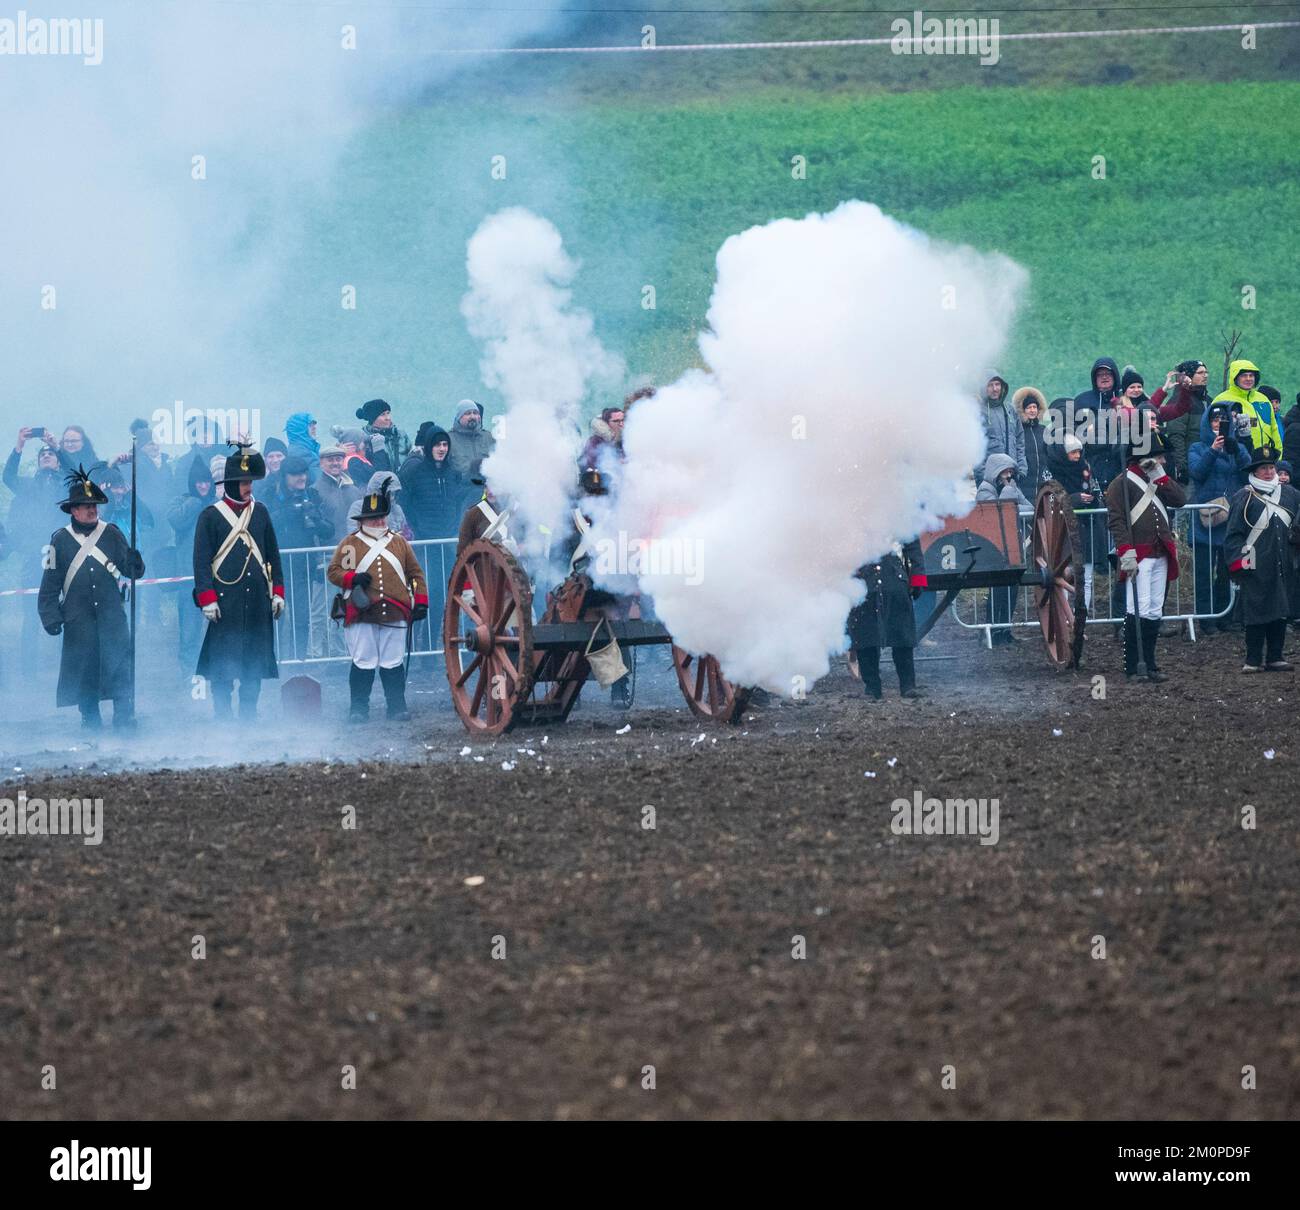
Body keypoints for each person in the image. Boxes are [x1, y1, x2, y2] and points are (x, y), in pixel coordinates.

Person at [36, 466, 144, 729]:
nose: (92, 509)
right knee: (85, 670)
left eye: (94, 505)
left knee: (119, 664)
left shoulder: (112, 533)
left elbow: (134, 572)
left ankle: (123, 716)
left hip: (111, 616)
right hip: (78, 618)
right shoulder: (58, 541)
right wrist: (50, 616)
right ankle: (90, 717)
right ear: (74, 510)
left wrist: (134, 561)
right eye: (85, 506)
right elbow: (50, 584)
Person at [191, 444, 285, 721]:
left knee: (252, 664)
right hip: (225, 600)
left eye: (250, 482)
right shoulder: (210, 516)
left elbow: (273, 556)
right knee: (222, 664)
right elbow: (201, 562)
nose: (249, 488)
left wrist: (277, 592)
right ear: (231, 484)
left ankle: (248, 713)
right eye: (244, 482)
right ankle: (222, 714)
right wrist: (207, 598)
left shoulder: (261, 512)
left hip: (257, 599)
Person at [327, 481, 428, 721]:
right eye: (372, 518)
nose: (378, 522)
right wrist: (352, 578)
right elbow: (333, 572)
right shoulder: (349, 543)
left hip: (395, 610)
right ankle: (359, 709)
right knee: (363, 660)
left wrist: (421, 601)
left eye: (381, 517)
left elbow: (415, 573)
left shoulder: (399, 542)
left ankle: (397, 707)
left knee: (393, 662)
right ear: (362, 520)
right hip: (361, 611)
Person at [1105, 427, 1186, 682]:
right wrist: (1125, 551)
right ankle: (1133, 665)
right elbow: (1117, 520)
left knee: (1153, 610)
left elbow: (1180, 500)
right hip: (1138, 555)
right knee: (1135, 609)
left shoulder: (1157, 479)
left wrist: (1160, 475)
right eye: (1158, 457)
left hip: (1161, 552)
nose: (1162, 460)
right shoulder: (1121, 483)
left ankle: (1150, 663)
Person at [1224, 444, 1300, 673]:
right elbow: (1234, 535)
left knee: (1280, 610)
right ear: (1254, 471)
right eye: (1263, 468)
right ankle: (1253, 658)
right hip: (1255, 562)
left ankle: (1276, 656)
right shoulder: (1244, 497)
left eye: (1270, 467)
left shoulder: (1290, 494)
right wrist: (1240, 560)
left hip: (1283, 560)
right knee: (1256, 612)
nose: (1268, 472)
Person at [4, 429, 66, 675]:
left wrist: (56, 445)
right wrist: (19, 444)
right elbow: (8, 477)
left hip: (63, 556)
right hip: (33, 557)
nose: (46, 457)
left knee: (67, 612)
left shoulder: (66, 484)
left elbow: (81, 479)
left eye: (51, 454)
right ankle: (29, 672)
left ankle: (66, 667)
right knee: (31, 616)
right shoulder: (28, 486)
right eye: (43, 454)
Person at [1187, 404, 1250, 631]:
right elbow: (1196, 472)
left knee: (1227, 571)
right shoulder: (1197, 447)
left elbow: (1248, 474)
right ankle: (1206, 618)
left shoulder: (1236, 447)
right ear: (1207, 422)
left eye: (1223, 420)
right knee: (1203, 573)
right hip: (1205, 517)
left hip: (1231, 517)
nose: (1218, 423)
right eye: (1214, 419)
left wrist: (1237, 450)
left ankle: (1226, 616)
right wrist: (1213, 450)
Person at [268, 456, 334, 663]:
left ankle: (298, 661)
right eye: (296, 474)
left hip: (303, 566)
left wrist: (316, 518)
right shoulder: (270, 494)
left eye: (304, 473)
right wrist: (289, 512)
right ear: (285, 476)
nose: (301, 478)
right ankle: (273, 661)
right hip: (276, 565)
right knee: (275, 616)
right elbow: (263, 524)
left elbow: (328, 531)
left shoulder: (312, 495)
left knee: (301, 617)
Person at [846, 538, 928, 699]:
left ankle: (908, 685)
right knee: (865, 636)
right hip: (861, 580)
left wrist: (918, 578)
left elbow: (912, 546)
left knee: (902, 635)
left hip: (894, 577)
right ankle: (872, 687)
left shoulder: (900, 514)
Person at [1045, 430, 1104, 612]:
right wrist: (1073, 499)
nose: (1077, 456)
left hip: (1086, 528)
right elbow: (1048, 499)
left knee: (1086, 577)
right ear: (1063, 452)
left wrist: (1094, 498)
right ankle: (1064, 615)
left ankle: (1082, 614)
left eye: (1079, 451)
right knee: (1064, 575)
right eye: (1073, 452)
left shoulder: (1085, 469)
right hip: (1063, 531)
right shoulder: (1051, 471)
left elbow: (1097, 492)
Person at [168, 459, 215, 671]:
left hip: (217, 576)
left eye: (206, 482)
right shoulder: (182, 502)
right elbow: (175, 520)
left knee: (218, 627)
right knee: (189, 630)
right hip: (189, 577)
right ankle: (189, 673)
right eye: (198, 483)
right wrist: (195, 502)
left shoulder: (218, 503)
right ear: (191, 484)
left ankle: (217, 670)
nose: (203, 486)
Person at [400, 425, 467, 541]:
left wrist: (457, 527)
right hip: (423, 539)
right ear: (429, 446)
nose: (442, 449)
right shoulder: (415, 472)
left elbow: (459, 503)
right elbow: (405, 504)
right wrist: (416, 529)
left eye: (445, 445)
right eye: (437, 445)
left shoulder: (454, 473)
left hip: (450, 538)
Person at [1151, 360, 1212, 484]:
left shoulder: (1208, 400)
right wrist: (1181, 468)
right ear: (1188, 376)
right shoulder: (1179, 401)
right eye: (1200, 373)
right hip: (1190, 466)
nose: (1205, 375)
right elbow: (1176, 436)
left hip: (1207, 463)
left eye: (1206, 372)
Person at [1213, 360, 1281, 454]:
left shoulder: (1263, 399)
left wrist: (1278, 455)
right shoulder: (1222, 400)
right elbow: (1213, 431)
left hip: (1265, 459)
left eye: (1251, 375)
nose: (1248, 379)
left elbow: (1274, 430)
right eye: (1244, 375)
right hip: (1237, 458)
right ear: (1235, 378)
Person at [977, 373, 1025, 482]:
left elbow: (1020, 440)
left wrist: (1021, 468)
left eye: (997, 384)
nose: (995, 389)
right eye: (990, 385)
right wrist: (983, 476)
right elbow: (975, 449)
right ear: (984, 388)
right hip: (990, 477)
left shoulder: (1010, 409)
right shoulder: (979, 412)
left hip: (1012, 473)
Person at [314, 444, 363, 542]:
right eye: (330, 460)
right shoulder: (315, 491)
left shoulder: (355, 491)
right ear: (321, 463)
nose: (335, 463)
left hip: (356, 547)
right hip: (329, 552)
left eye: (338, 459)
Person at [355, 398, 411, 475]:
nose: (388, 418)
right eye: (383, 414)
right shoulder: (362, 438)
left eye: (388, 413)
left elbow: (411, 458)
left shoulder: (401, 435)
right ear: (372, 419)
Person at [1013, 386, 1051, 500]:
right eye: (1029, 407)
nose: (1032, 410)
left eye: (1035, 407)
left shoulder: (1044, 430)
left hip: (1043, 479)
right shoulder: (1017, 431)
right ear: (1022, 410)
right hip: (1024, 481)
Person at [448, 399, 496, 481]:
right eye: (468, 413)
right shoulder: (449, 440)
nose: (472, 417)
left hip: (488, 489)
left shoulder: (489, 437)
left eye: (475, 413)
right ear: (459, 417)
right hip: (462, 490)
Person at [285, 412, 321, 483]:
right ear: (300, 429)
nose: (314, 427)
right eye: (310, 425)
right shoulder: (300, 452)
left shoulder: (304, 448)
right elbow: (318, 480)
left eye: (314, 425)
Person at [256, 437, 288, 501]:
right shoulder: (260, 483)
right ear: (265, 460)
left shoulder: (293, 478)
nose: (275, 460)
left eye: (279, 456)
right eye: (270, 456)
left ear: (286, 457)